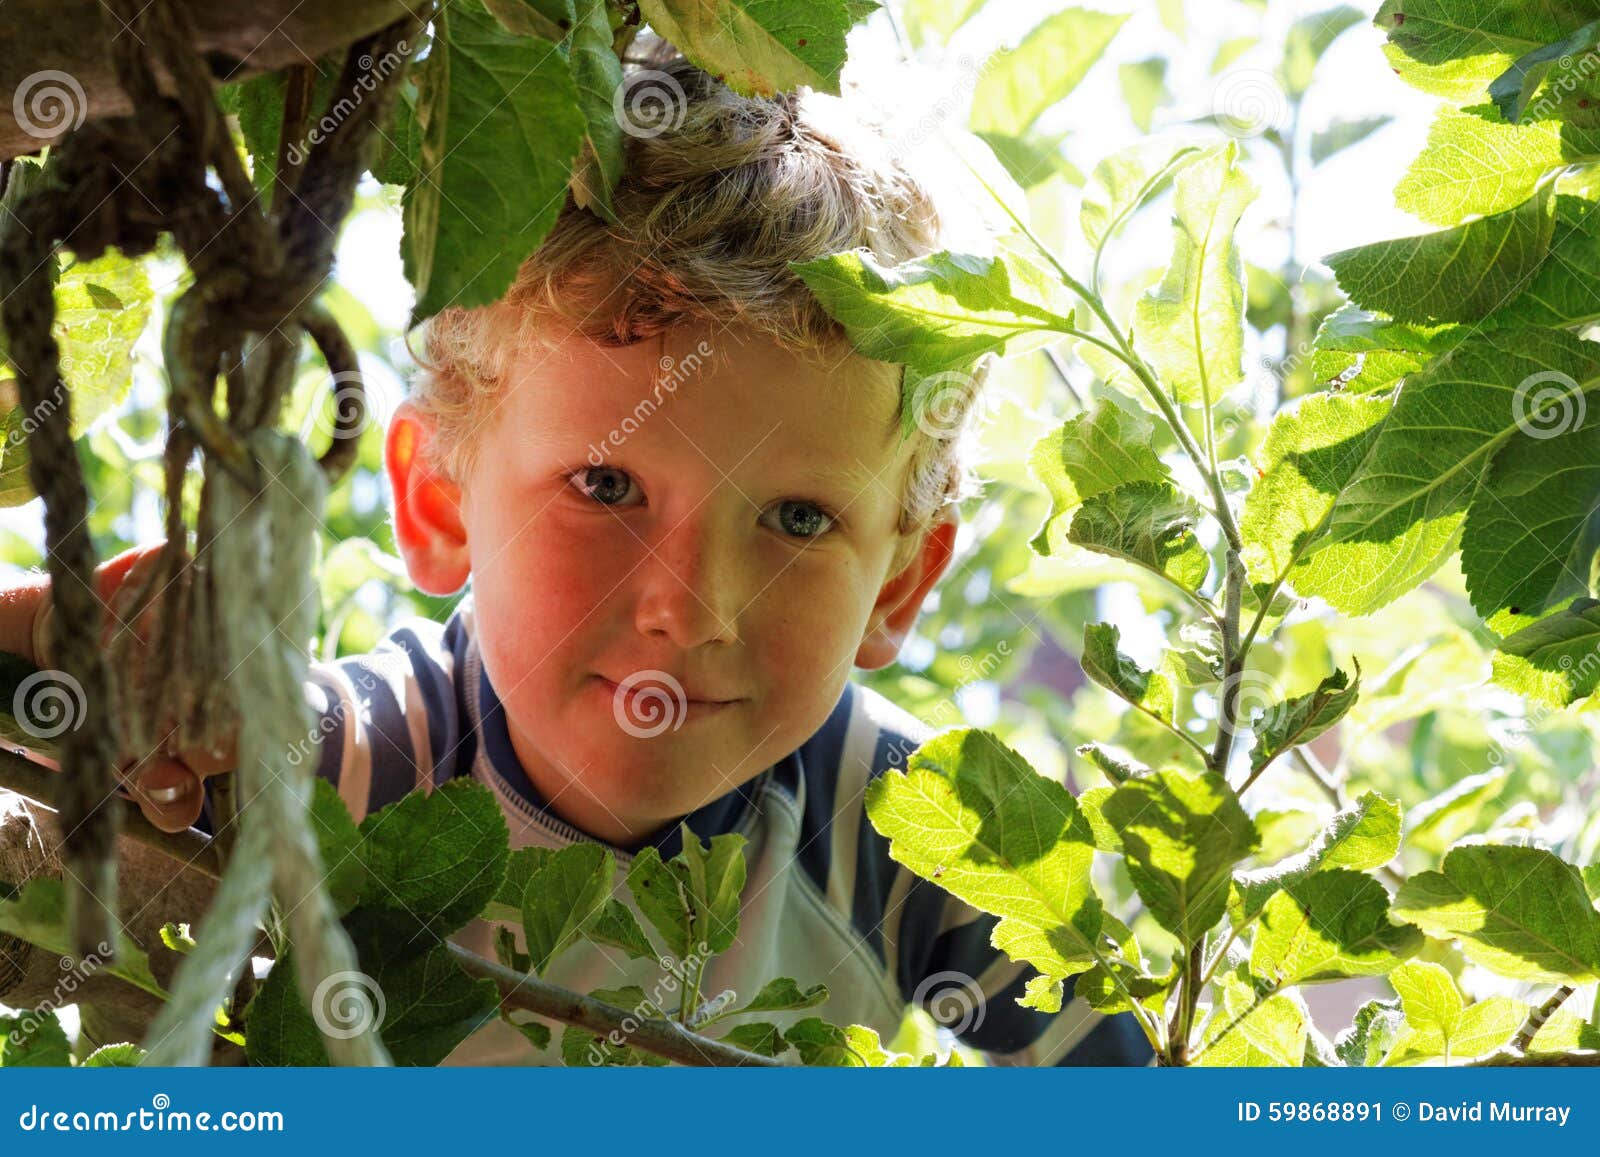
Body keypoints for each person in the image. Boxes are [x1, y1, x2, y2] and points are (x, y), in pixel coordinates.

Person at [1, 35, 1153, 1068]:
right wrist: (82, 647)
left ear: (895, 582)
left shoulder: (906, 834)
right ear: (442, 501)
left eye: (800, 518)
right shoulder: (362, 765)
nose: (690, 607)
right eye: (605, 484)